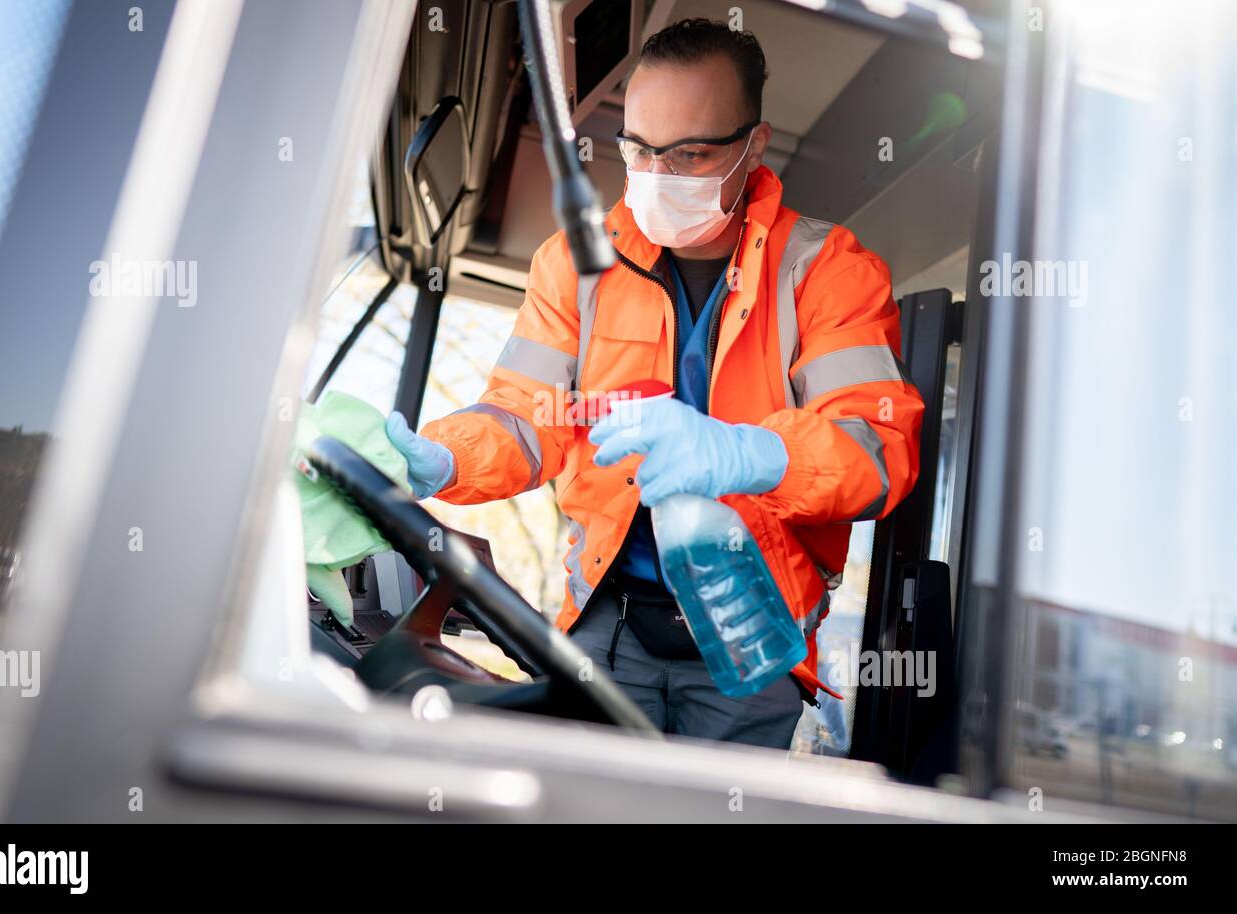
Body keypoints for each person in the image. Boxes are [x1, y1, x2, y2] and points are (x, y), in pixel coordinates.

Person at [385, 18, 924, 749]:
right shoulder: (573, 267)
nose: (659, 175)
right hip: (607, 626)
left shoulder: (827, 271)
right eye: (639, 150)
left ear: (754, 146)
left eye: (691, 153)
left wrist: (748, 454)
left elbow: (875, 448)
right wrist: (444, 457)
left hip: (749, 634)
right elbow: (524, 418)